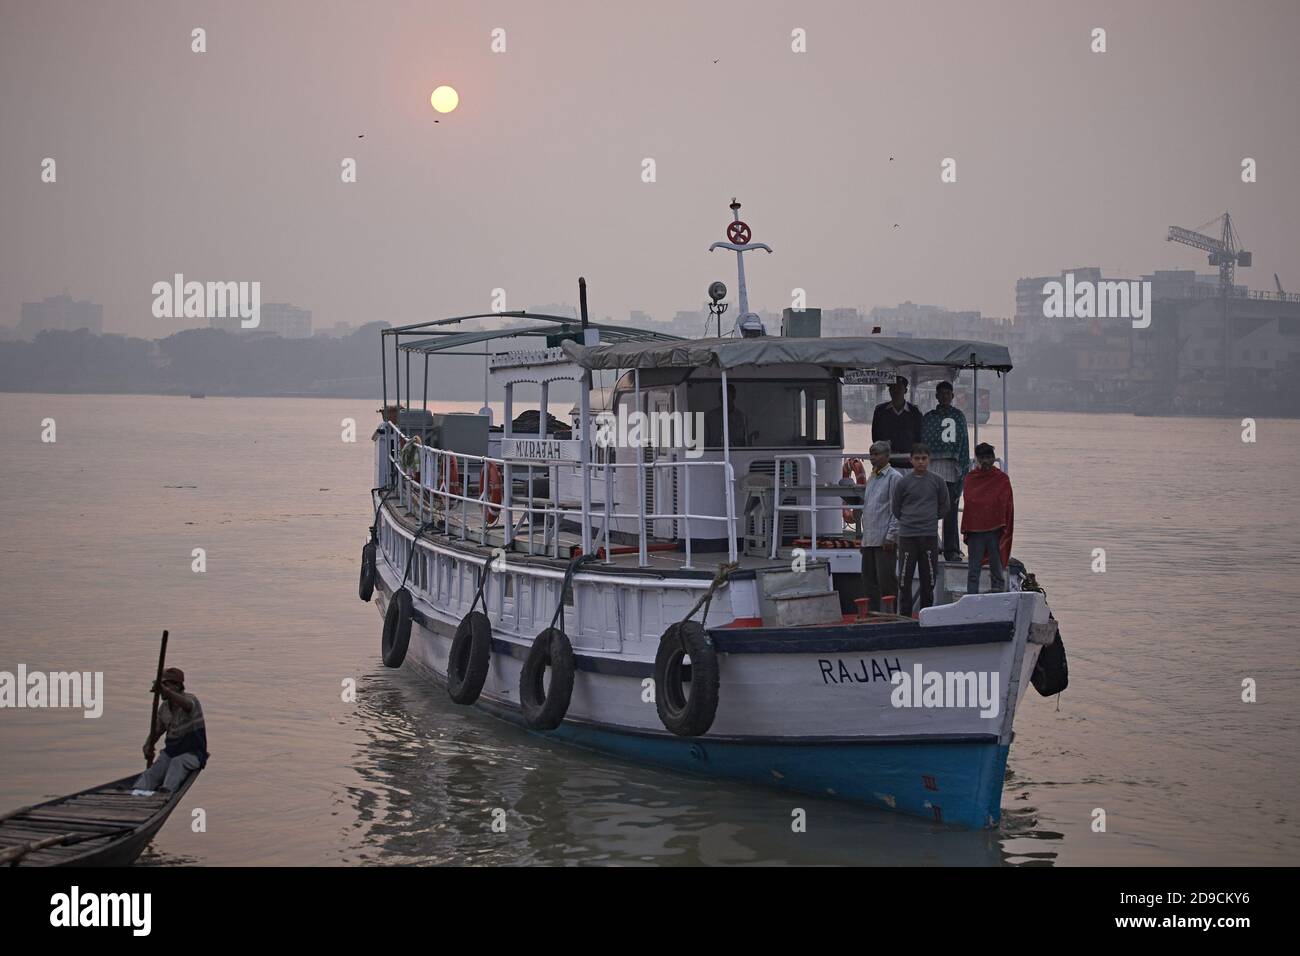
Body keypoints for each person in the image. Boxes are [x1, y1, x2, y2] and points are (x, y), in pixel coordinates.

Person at [890, 443, 949, 617]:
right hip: (907, 537)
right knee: (904, 579)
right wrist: (910, 520)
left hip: (929, 536)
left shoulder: (937, 481)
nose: (921, 462)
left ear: (929, 460)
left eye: (924, 458)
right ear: (911, 460)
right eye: (917, 458)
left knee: (929, 579)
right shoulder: (903, 482)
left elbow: (944, 506)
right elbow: (896, 507)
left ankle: (927, 614)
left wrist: (929, 519)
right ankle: (905, 615)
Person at [134, 667, 208, 794]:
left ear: (178, 686)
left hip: (192, 754)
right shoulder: (164, 709)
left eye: (166, 685)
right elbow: (157, 731)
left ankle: (166, 792)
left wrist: (166, 691)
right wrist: (148, 744)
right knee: (151, 773)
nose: (163, 691)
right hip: (170, 753)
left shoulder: (190, 700)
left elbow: (187, 704)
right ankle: (137, 793)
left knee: (177, 763)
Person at [920, 381, 970, 561]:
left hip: (951, 470)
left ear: (952, 396)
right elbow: (922, 446)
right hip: (932, 470)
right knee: (930, 511)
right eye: (941, 393)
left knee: (950, 512)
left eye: (947, 393)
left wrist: (963, 470)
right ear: (936, 396)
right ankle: (929, 547)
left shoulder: (958, 417)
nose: (944, 396)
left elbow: (964, 445)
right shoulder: (929, 417)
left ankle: (952, 550)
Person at [961, 442, 1014, 594]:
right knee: (973, 569)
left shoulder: (1001, 479)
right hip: (975, 529)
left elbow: (1006, 503)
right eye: (982, 458)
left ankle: (998, 596)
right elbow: (970, 499)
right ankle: (971, 599)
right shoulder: (971, 478)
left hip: (995, 529)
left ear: (993, 458)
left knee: (997, 569)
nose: (985, 461)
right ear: (977, 459)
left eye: (988, 457)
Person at [858, 441, 900, 612]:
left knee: (886, 580)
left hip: (884, 539)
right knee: (868, 581)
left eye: (877, 454)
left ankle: (890, 614)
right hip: (869, 539)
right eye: (871, 454)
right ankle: (873, 613)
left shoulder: (894, 477)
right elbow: (869, 507)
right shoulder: (872, 477)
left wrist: (891, 536)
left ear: (887, 456)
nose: (873, 458)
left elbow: (896, 510)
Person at [871, 376, 922, 468]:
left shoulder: (914, 412)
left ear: (905, 390)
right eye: (893, 388)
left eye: (899, 388)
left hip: (908, 464)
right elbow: (875, 436)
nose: (896, 391)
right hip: (886, 463)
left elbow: (919, 437)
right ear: (889, 391)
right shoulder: (880, 411)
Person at [705, 382, 754, 447]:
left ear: (734, 396)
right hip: (714, 455)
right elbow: (704, 441)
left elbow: (745, 442)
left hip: (737, 455)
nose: (723, 399)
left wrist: (751, 437)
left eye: (727, 396)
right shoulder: (711, 417)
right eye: (721, 396)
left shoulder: (742, 417)